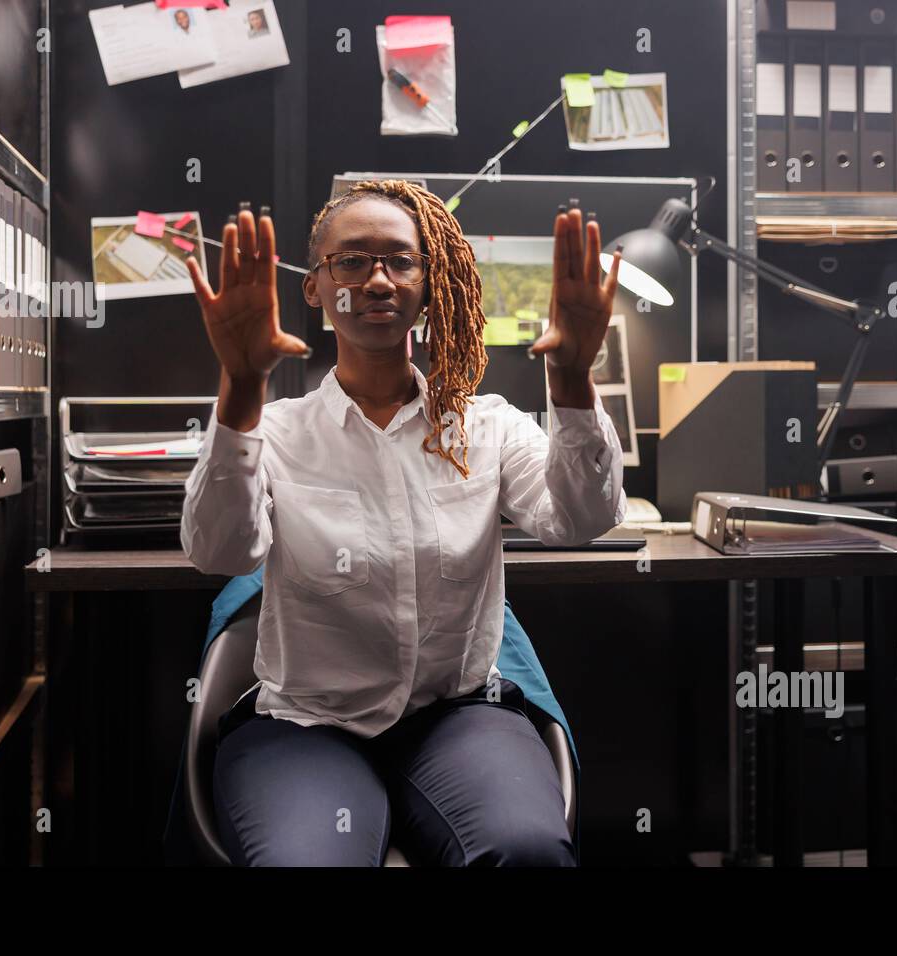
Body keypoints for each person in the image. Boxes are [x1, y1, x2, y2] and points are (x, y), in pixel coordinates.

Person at [180, 180, 627, 866]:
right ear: (315, 287)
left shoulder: (487, 427)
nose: (378, 280)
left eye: (400, 260)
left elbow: (580, 519)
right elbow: (219, 550)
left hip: (457, 718)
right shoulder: (277, 431)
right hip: (308, 727)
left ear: (430, 280)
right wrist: (239, 390)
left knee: (527, 851)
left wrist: (572, 377)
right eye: (352, 261)